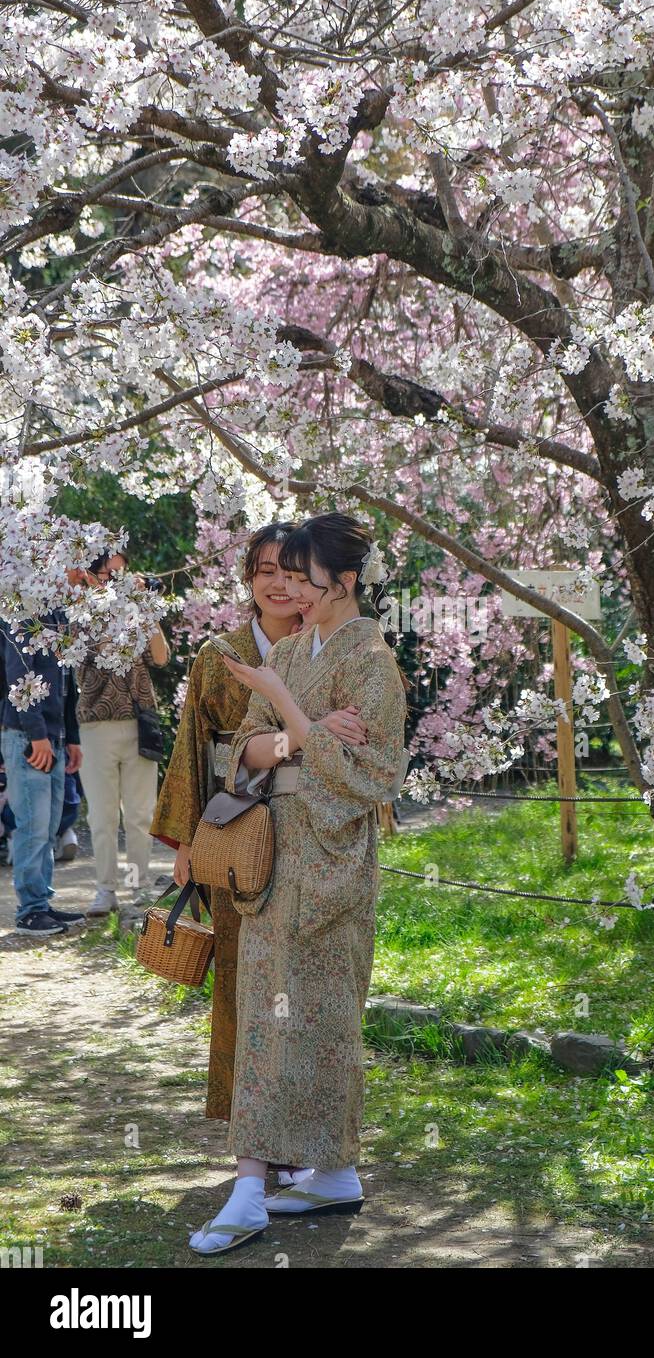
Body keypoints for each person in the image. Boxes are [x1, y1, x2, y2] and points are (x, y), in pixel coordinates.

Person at [188, 512, 408, 1257]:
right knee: (264, 1019)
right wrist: (305, 731)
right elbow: (242, 757)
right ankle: (255, 1184)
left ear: (344, 582)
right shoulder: (287, 648)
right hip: (272, 861)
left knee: (324, 1021)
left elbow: (373, 776)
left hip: (334, 863)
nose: (292, 591)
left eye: (305, 579)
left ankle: (331, 1167)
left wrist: (286, 708)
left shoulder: (372, 660)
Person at [150, 522, 370, 1126]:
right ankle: (244, 1117)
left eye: (293, 573)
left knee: (310, 977)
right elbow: (194, 750)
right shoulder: (218, 656)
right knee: (242, 978)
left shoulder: (331, 644)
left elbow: (358, 744)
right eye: (266, 571)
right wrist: (189, 842)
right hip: (237, 825)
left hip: (313, 823)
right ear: (248, 579)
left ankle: (302, 1125)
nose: (280, 584)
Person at [76, 550, 171, 915]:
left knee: (140, 815)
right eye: (109, 574)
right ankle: (105, 889)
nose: (116, 581)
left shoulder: (137, 612)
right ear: (93, 574)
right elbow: (92, 663)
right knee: (102, 817)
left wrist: (145, 608)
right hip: (96, 726)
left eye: (122, 574)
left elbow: (160, 657)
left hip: (139, 723)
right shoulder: (79, 612)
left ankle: (138, 887)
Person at [0, 568, 88, 935]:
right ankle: (29, 911)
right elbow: (18, 676)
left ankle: (42, 903)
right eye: (73, 564)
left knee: (49, 825)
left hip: (53, 735)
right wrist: (37, 734)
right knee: (33, 826)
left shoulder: (58, 616)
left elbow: (66, 683)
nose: (80, 573)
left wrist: (72, 736)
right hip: (27, 735)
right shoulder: (21, 610)